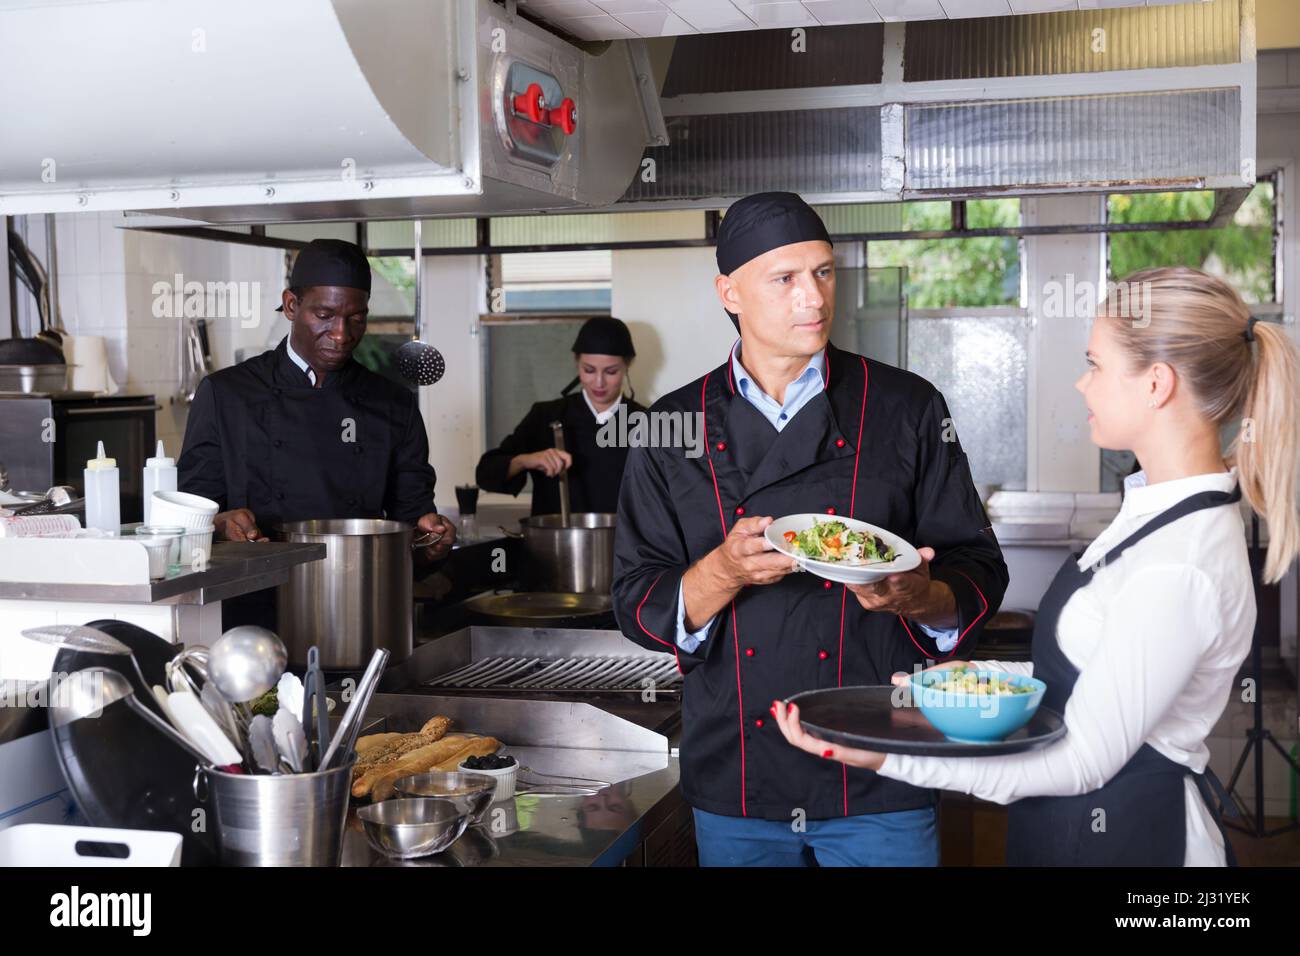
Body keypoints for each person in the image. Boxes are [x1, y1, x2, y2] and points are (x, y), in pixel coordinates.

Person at [775, 266, 1300, 866]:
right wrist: (963, 689)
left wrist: (891, 755)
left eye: (1096, 365)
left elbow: (1081, 761)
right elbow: (1102, 660)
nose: (1082, 384)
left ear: (1156, 384)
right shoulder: (1159, 512)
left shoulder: (1180, 562)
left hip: (1135, 842)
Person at [610, 192, 1008, 866]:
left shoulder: (906, 407)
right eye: (785, 279)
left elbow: (976, 565)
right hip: (739, 770)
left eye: (823, 272)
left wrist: (920, 595)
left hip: (883, 770)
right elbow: (636, 599)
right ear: (729, 292)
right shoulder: (667, 428)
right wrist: (724, 571)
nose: (814, 299)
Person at [178, 238, 455, 627]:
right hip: (256, 611)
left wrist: (431, 541)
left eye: (356, 318)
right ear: (292, 305)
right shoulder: (227, 394)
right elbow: (188, 521)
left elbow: (411, 522)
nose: (341, 334)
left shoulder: (393, 403)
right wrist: (221, 524)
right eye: (324, 315)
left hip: (358, 608)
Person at [476, 316, 646, 516]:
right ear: (577, 363)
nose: (599, 382)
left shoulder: (647, 423)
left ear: (628, 365)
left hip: (624, 545)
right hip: (555, 545)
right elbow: (485, 473)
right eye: (589, 370)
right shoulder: (545, 416)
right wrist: (525, 460)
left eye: (611, 372)